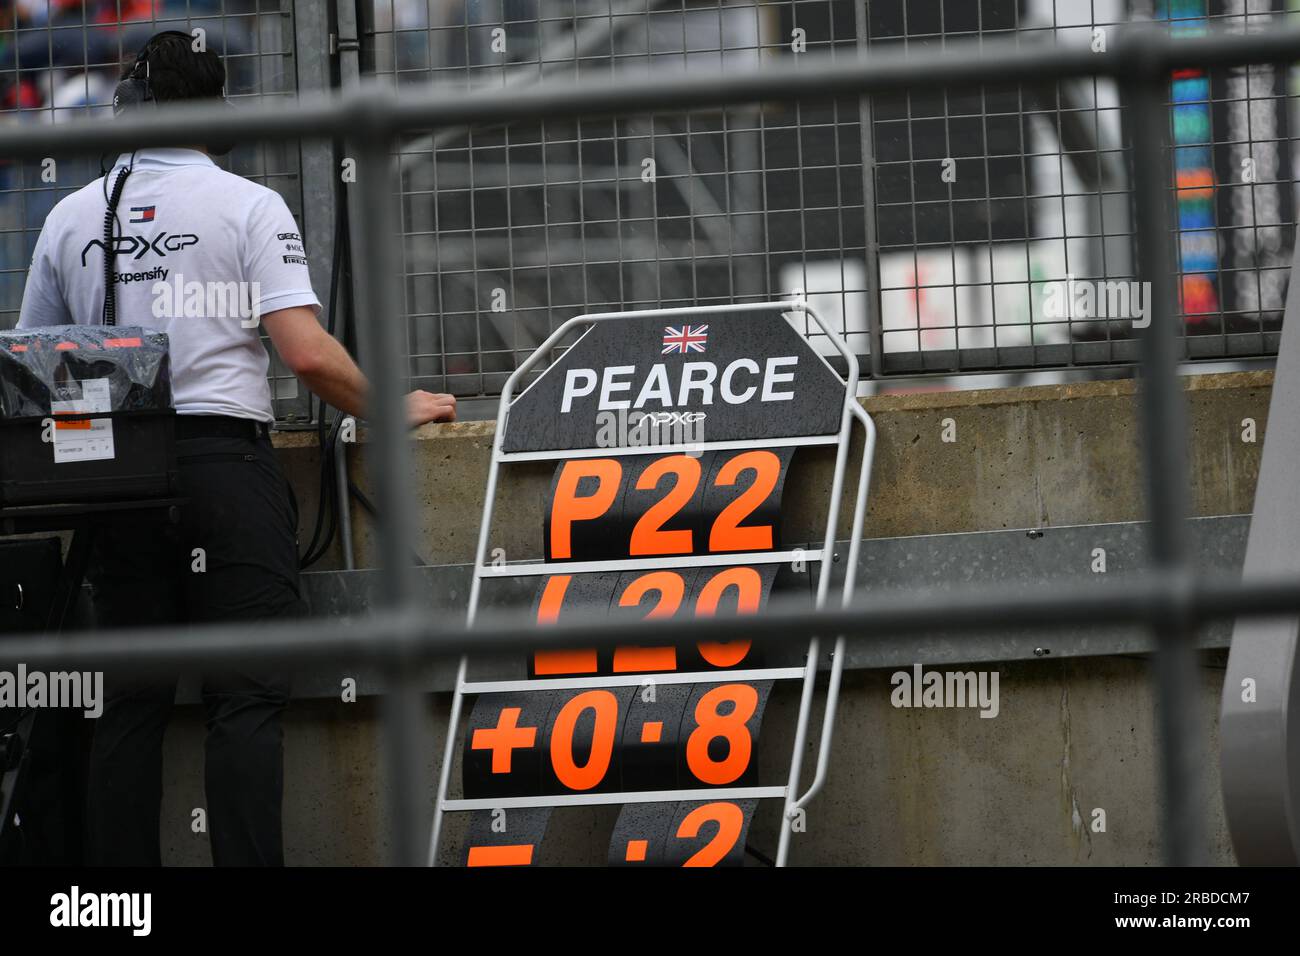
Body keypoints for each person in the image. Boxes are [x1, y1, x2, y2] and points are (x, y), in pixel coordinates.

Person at [16, 30, 456, 866]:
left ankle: (115, 912)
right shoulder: (249, 204)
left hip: (116, 478)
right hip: (226, 466)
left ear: (129, 107)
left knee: (129, 706)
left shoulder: (69, 216)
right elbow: (306, 354)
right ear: (215, 114)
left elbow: (33, 368)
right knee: (246, 701)